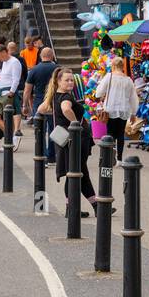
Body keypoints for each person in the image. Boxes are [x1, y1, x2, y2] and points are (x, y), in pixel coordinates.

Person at [49, 68, 98, 218]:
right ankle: (72, 209)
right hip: (74, 139)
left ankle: (92, 206)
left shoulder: (55, 95)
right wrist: (75, 124)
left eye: (72, 80)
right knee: (75, 173)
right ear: (59, 81)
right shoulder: (65, 98)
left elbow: (41, 109)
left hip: (66, 139)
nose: (70, 82)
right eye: (67, 80)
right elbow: (65, 109)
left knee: (79, 173)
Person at [94, 56, 136, 162]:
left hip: (111, 109)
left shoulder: (109, 77)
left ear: (113, 66)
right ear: (122, 67)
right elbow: (133, 98)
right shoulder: (128, 80)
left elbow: (99, 92)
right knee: (120, 134)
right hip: (124, 110)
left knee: (110, 133)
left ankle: (110, 157)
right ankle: (120, 159)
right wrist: (133, 113)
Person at [23, 48, 58, 162]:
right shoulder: (58, 69)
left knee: (40, 131)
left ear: (41, 56)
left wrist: (25, 105)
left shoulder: (34, 70)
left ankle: (42, 155)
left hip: (39, 102)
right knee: (54, 129)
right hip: (54, 102)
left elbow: (27, 90)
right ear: (52, 56)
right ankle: (52, 156)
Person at [0, 41, 24, 140]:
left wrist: (11, 92)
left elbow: (16, 79)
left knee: (8, 118)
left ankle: (10, 140)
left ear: (4, 52)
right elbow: (5, 76)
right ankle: (10, 137)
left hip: (8, 92)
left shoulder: (14, 62)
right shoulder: (4, 63)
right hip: (0, 92)